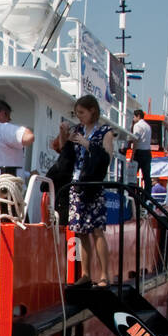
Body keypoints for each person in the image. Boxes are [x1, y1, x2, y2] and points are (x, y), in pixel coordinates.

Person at [51, 94, 115, 286]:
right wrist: (64, 135)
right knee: (81, 232)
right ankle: (85, 274)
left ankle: (104, 275)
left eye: (81, 112)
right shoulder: (78, 129)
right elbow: (65, 153)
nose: (79, 116)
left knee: (96, 231)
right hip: (76, 185)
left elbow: (106, 158)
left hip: (93, 186)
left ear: (92, 111)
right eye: (77, 113)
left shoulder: (105, 132)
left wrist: (87, 144)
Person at [129, 108, 153, 195]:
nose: (133, 119)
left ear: (138, 116)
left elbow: (136, 139)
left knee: (132, 174)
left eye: (134, 117)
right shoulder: (148, 126)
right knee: (146, 175)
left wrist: (132, 154)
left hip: (139, 152)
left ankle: (131, 192)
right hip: (147, 152)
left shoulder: (137, 125)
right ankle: (147, 195)